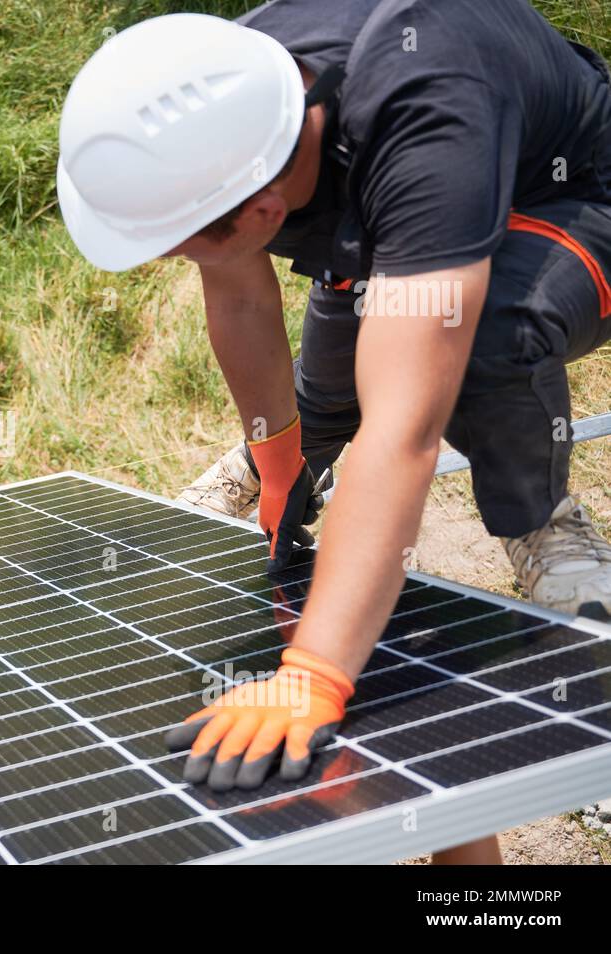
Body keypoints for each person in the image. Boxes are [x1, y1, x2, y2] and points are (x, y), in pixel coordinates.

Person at [56, 1, 611, 861]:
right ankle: (276, 469)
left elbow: (405, 433)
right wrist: (279, 464)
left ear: (264, 210)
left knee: (474, 343)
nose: (173, 261)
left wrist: (311, 675)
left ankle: (540, 518)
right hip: (397, 189)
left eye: (179, 246)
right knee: (326, 389)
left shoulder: (426, 110)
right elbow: (236, 289)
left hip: (571, 194)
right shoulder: (233, 95)